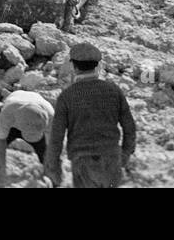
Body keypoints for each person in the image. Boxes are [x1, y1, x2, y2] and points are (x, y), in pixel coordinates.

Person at [43, 42, 136, 189]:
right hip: (111, 159)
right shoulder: (113, 90)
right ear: (97, 65)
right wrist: (125, 154)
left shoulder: (67, 96)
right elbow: (129, 126)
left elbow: (56, 136)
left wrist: (53, 167)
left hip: (82, 162)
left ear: (74, 66)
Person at [0, 90, 54, 183]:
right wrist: (2, 169)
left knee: (51, 162)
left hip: (36, 111)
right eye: (30, 134)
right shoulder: (8, 114)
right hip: (13, 113)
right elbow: (0, 140)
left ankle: (54, 182)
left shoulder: (51, 117)